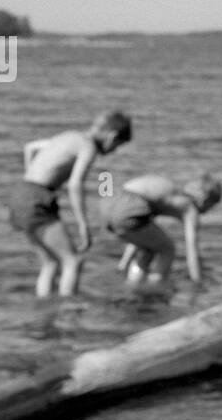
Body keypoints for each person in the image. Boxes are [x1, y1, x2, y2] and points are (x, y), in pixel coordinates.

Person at [9, 110, 132, 297]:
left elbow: (30, 148)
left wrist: (31, 175)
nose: (114, 150)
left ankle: (46, 312)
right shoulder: (88, 146)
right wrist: (83, 225)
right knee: (73, 261)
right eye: (117, 145)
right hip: (36, 198)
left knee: (50, 263)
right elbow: (75, 184)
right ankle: (68, 313)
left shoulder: (69, 136)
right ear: (112, 136)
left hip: (21, 193)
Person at [106, 172, 222, 285]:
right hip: (127, 206)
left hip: (109, 203)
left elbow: (138, 233)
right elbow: (192, 251)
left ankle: (132, 284)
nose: (208, 211)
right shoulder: (189, 206)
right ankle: (154, 287)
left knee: (148, 247)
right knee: (167, 248)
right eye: (211, 206)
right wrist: (197, 282)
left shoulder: (168, 194)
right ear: (205, 199)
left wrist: (123, 264)